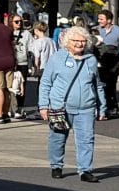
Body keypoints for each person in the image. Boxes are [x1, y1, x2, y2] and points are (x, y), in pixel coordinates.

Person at [39, 24, 104, 181]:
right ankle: (56, 165)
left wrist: (102, 106)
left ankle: (85, 170)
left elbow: (98, 85)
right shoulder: (57, 58)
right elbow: (46, 82)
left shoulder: (91, 60)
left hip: (86, 108)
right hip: (60, 107)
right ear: (68, 41)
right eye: (75, 40)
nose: (79, 44)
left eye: (83, 41)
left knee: (86, 140)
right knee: (58, 138)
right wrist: (43, 105)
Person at [92, 10, 119, 117]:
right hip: (99, 62)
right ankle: (102, 107)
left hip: (113, 63)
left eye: (101, 19)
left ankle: (112, 108)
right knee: (100, 86)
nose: (99, 21)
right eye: (98, 19)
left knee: (111, 86)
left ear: (109, 20)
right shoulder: (95, 30)